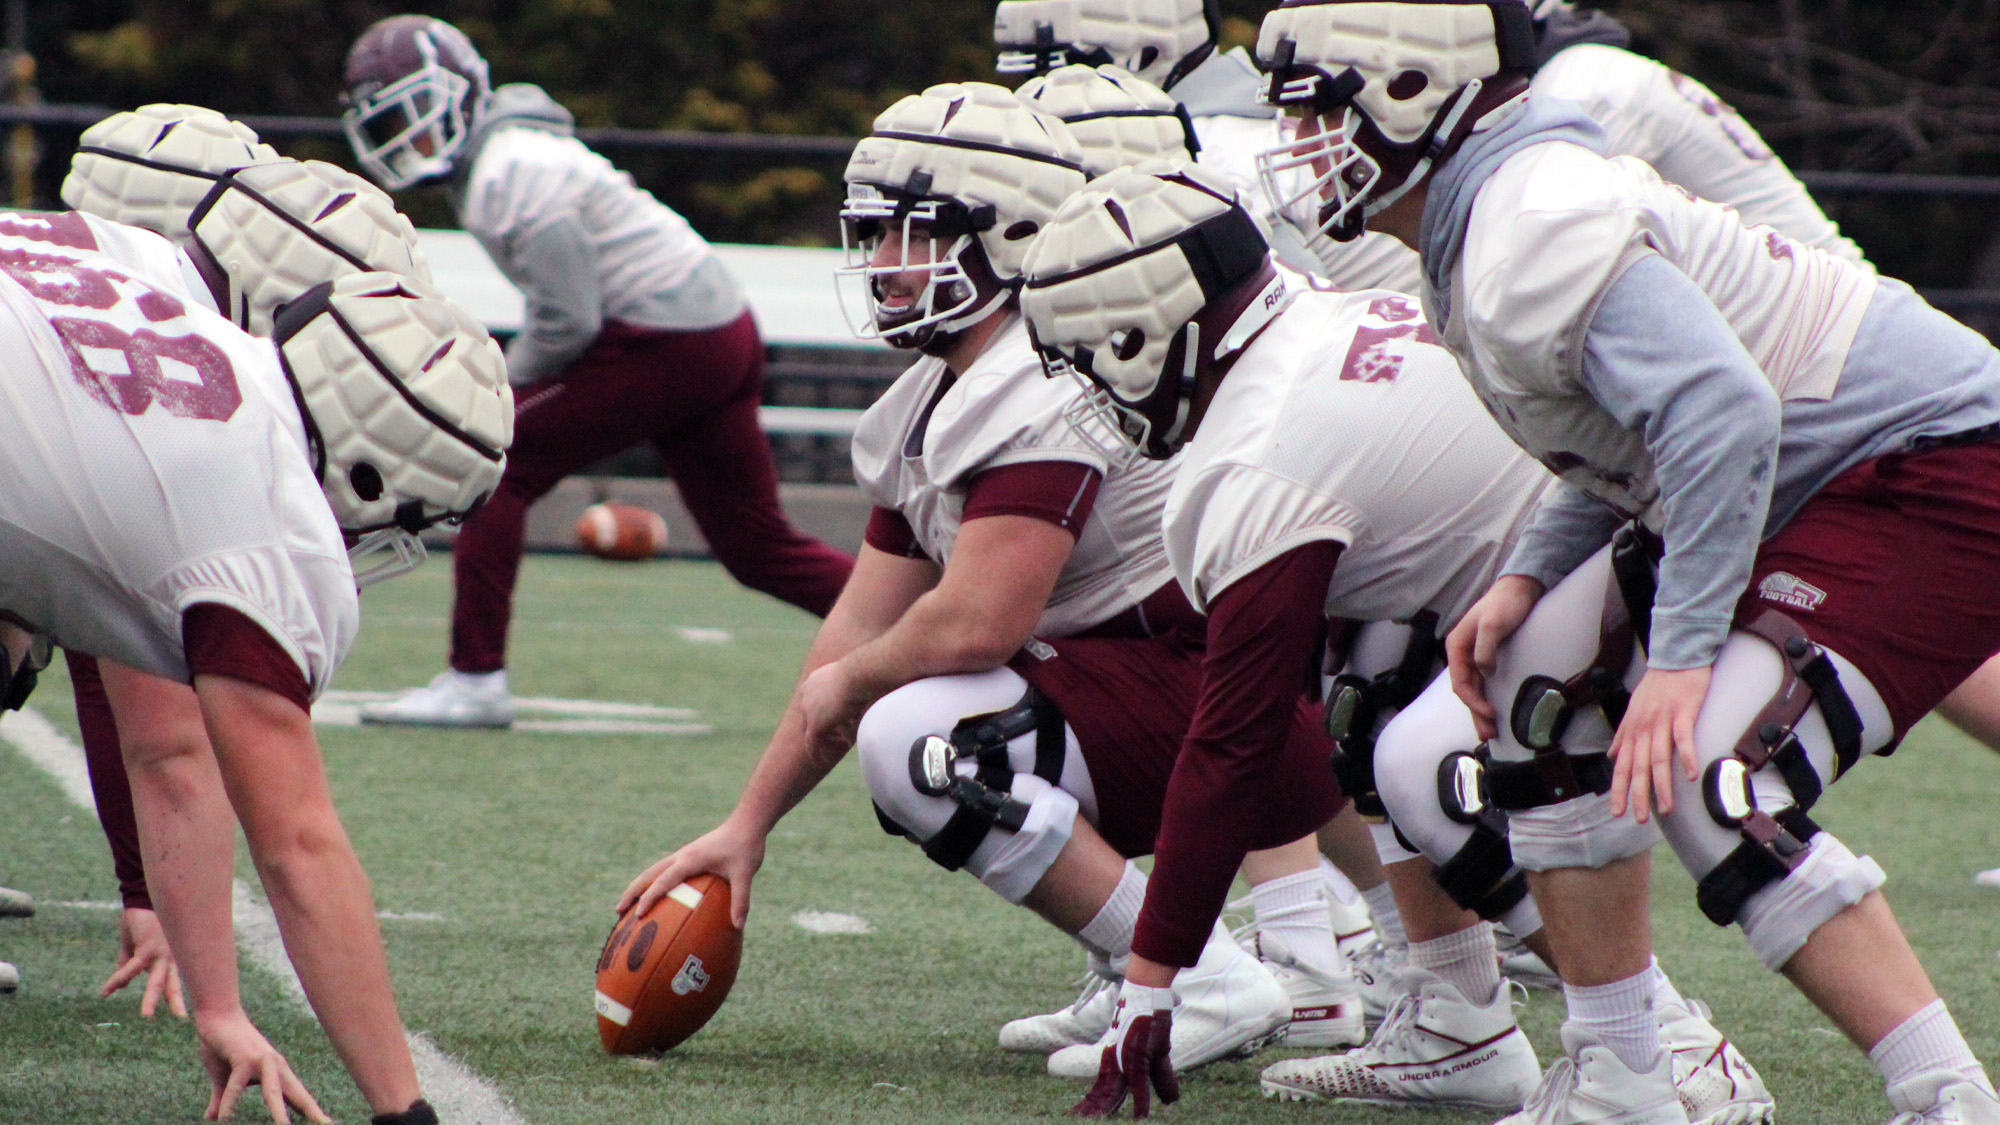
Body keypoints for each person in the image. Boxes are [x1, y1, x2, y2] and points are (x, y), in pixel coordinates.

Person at [1257, 2, 2000, 1123]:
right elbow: (1621, 439)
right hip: (1792, 474)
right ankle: (1625, 1076)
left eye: (1317, 107)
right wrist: (1523, 573)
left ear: (1413, 94)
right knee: (1533, 698)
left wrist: (1679, 657)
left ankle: (1944, 1097)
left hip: (1919, 465)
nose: (1296, 141)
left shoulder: (1524, 221)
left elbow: (1721, 413)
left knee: (1716, 772)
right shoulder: (1483, 218)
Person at [618, 81, 1370, 1081]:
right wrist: (745, 825)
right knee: (919, 718)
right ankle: (1140, 961)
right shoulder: (928, 403)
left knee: (925, 739)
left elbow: (975, 623)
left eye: (914, 234)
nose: (883, 263)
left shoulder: (1041, 374)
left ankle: (1197, 977)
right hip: (1174, 695)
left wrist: (847, 692)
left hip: (1238, 708)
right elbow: (855, 625)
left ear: (1010, 236)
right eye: (874, 234)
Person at [1021, 159, 1768, 1122]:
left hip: (1654, 557)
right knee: (1363, 688)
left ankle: (1669, 1045)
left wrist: (1154, 977)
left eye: (1094, 353)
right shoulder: (1295, 312)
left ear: (1149, 328)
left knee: (1427, 763)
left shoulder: (1255, 458)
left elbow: (1234, 743)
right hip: (1588, 549)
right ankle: (1460, 1019)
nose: (1091, 385)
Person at [0, 165, 508, 1123]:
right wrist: (405, 1111)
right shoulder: (266, 517)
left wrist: (220, 1004)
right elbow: (298, 850)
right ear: (372, 476)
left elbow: (161, 751)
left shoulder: (185, 316)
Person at [339, 15, 853, 728]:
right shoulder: (514, 155)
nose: (410, 134)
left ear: (461, 93)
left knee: (498, 460)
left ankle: (475, 679)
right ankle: (931, 627)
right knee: (757, 548)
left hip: (672, 335)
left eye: (417, 111)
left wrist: (495, 392)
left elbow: (568, 320)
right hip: (716, 327)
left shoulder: (510, 169)